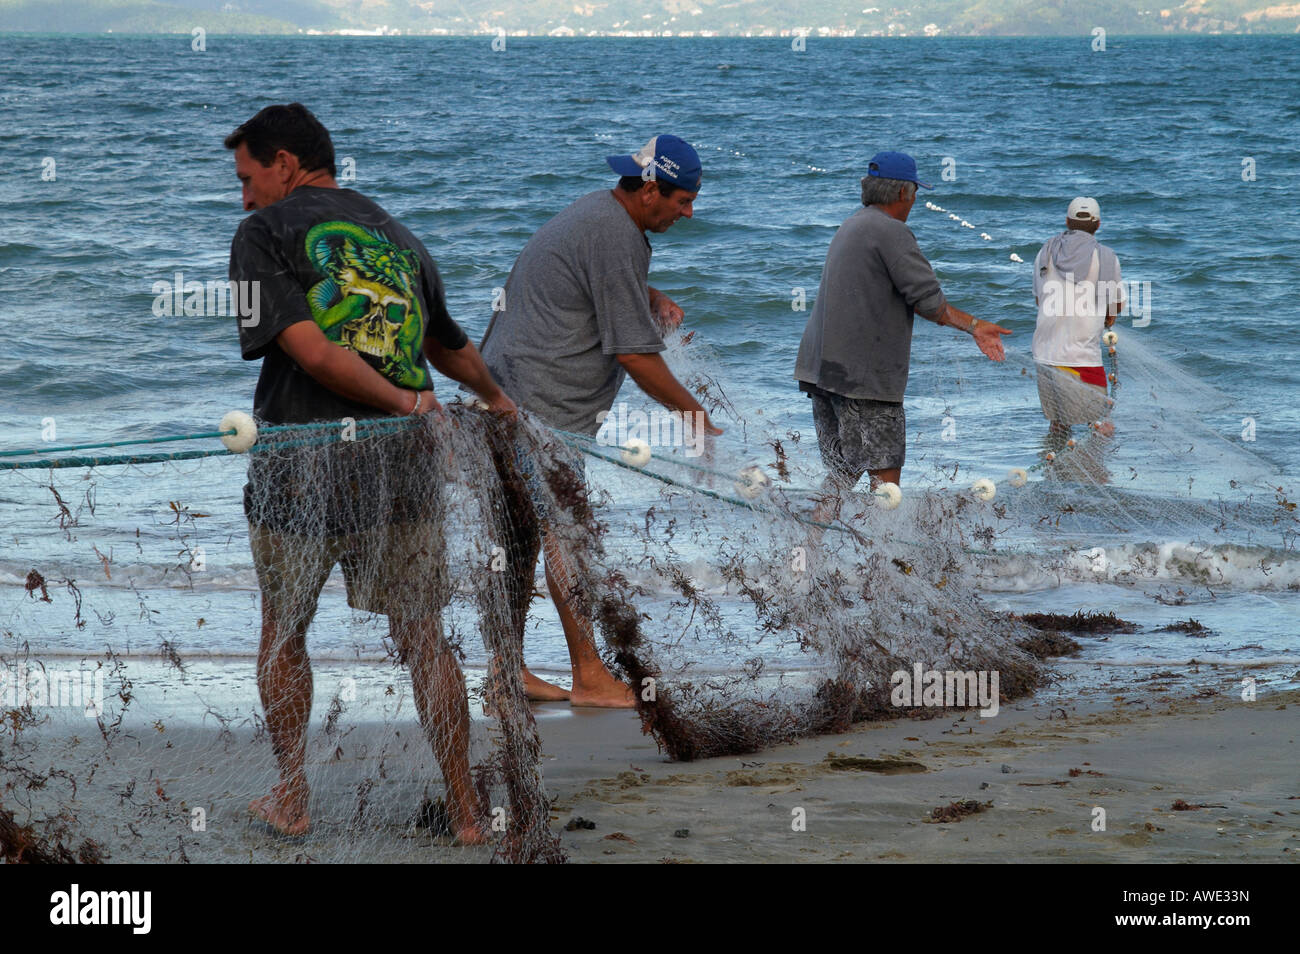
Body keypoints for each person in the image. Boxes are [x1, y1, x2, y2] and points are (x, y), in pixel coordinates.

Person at [225, 103, 515, 841]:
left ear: (285, 163)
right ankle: (468, 812)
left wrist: (408, 402)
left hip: (302, 460)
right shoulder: (396, 233)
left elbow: (315, 353)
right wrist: (494, 398)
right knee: (424, 634)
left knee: (284, 630)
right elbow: (449, 347)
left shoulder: (263, 234)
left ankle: (292, 799)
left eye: (248, 177)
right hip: (401, 462)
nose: (245, 194)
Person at [477, 134, 720, 707]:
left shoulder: (599, 215)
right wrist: (694, 415)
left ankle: (505, 670)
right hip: (538, 408)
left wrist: (646, 290)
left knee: (520, 539)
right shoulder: (615, 233)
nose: (689, 213)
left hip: (504, 395)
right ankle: (588, 675)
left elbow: (588, 281)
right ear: (651, 189)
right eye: (683, 201)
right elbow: (635, 355)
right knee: (569, 534)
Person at [794, 151, 1009, 507]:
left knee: (843, 471)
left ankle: (808, 548)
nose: (914, 202)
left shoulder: (851, 225)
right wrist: (975, 327)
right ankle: (889, 557)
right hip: (863, 381)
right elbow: (930, 303)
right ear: (901, 194)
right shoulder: (892, 232)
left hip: (822, 373)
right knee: (885, 478)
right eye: (914, 193)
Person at [1031, 196, 1124, 444]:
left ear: (1067, 222)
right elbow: (1113, 311)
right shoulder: (1107, 257)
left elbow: (1040, 300)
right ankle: (1096, 481)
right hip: (1082, 359)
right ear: (1098, 224)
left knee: (1058, 429)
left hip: (1044, 354)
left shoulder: (1045, 252)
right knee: (1100, 428)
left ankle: (1054, 481)